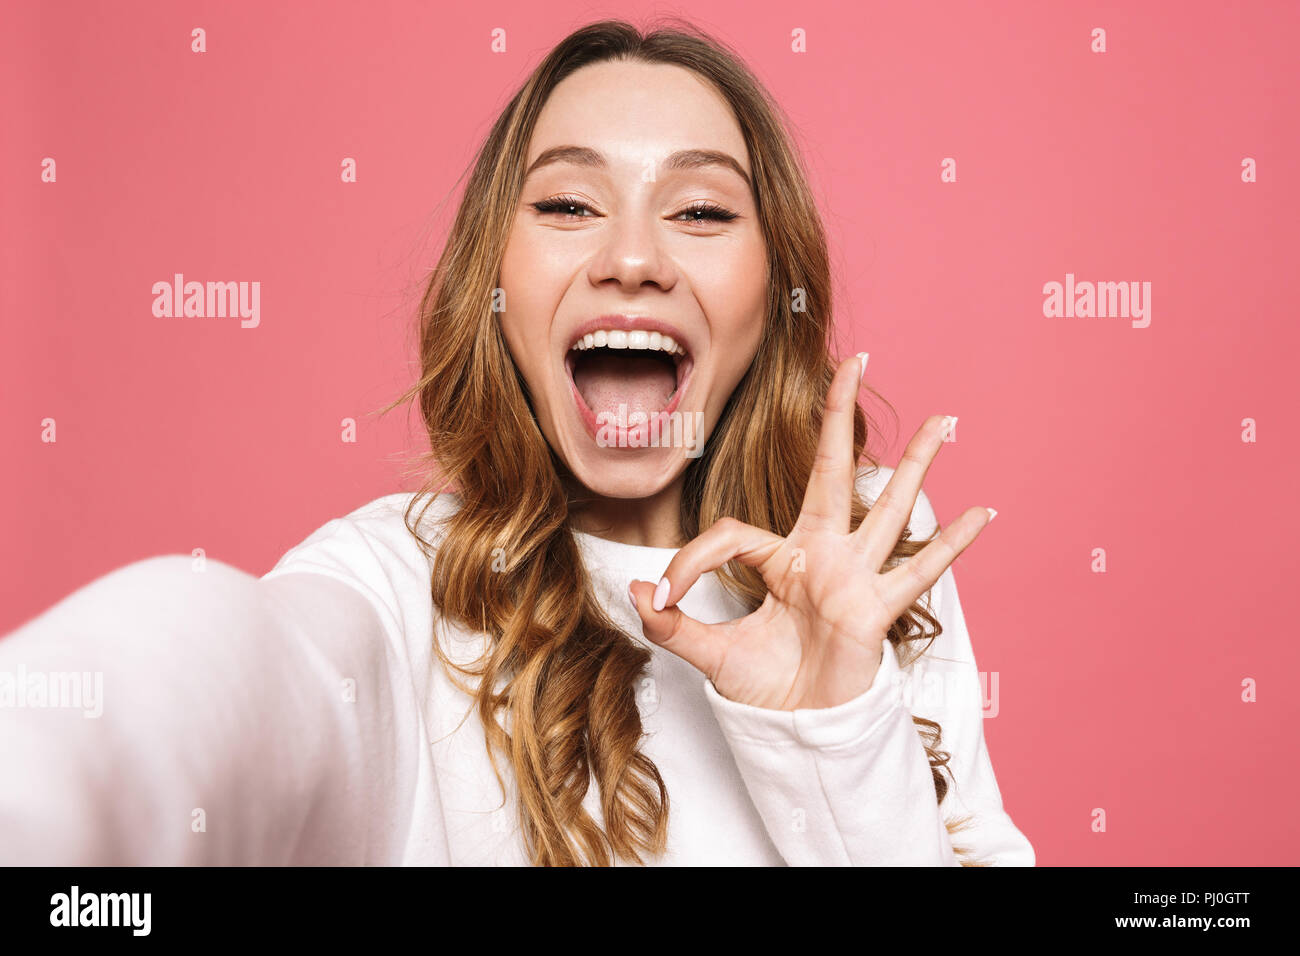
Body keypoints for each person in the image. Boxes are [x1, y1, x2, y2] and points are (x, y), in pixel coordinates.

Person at [0, 18, 1034, 867]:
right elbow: (234, 661)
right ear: (494, 289)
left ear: (775, 295)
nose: (632, 256)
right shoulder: (396, 581)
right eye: (570, 203)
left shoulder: (865, 561)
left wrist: (835, 732)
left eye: (704, 209)